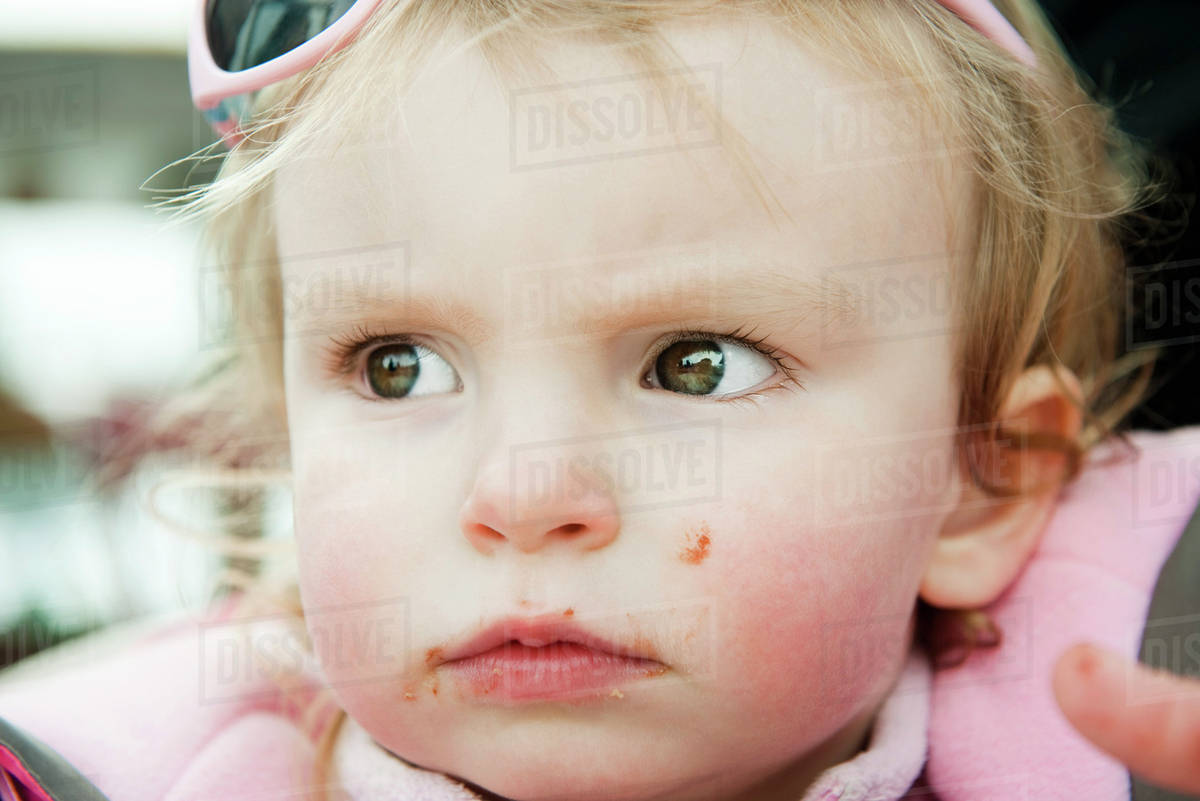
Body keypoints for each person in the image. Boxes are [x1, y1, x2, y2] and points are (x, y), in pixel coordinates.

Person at [1, 1, 1198, 800]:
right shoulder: (121, 769)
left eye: (697, 362)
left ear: (977, 481)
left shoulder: (1119, 737)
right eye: (396, 365)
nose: (522, 494)